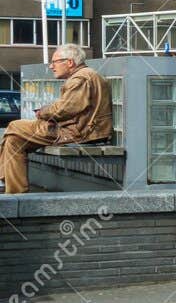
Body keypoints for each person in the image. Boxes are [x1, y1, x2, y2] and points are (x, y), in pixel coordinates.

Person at [0, 44, 113, 194]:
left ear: (70, 62)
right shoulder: (87, 75)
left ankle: (2, 177)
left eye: (55, 62)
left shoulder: (80, 78)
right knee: (14, 141)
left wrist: (42, 113)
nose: (51, 67)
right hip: (80, 129)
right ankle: (16, 193)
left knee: (14, 125)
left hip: (79, 132)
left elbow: (63, 110)